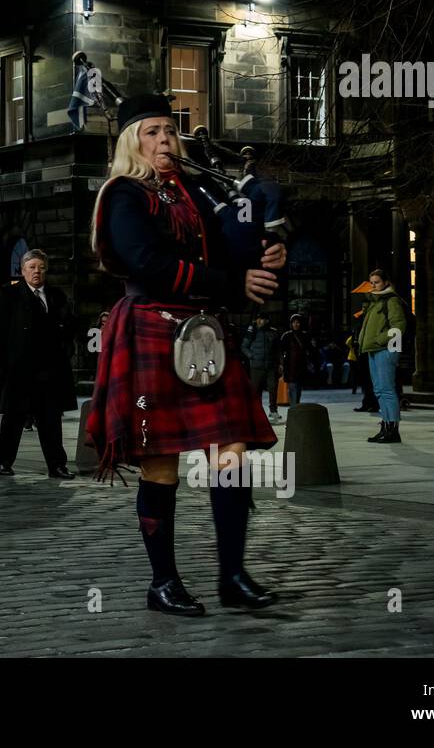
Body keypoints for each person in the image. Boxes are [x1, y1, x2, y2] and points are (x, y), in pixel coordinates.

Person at [84, 93, 285, 615]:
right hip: (151, 324)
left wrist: (265, 251)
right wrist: (230, 278)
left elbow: (227, 251)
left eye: (169, 131)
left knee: (232, 454)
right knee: (161, 464)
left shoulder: (195, 192)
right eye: (150, 132)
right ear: (132, 141)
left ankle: (233, 575)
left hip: (205, 332)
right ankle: (164, 582)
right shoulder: (122, 195)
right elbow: (147, 262)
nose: (164, 140)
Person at [0, 249, 76, 479]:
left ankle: (57, 466)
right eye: (32, 267)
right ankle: (4, 462)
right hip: (19, 370)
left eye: (41, 267)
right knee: (13, 419)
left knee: (51, 420)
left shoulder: (56, 295)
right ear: (23, 270)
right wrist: (0, 365)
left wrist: (66, 348)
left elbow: (69, 327)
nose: (36, 271)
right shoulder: (9, 294)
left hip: (49, 370)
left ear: (46, 270)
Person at [360, 268, 408, 443]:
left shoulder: (391, 300)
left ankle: (393, 430)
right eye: (371, 283)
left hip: (386, 349)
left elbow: (399, 325)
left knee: (387, 390)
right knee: (379, 390)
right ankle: (386, 426)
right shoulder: (375, 302)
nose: (373, 285)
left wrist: (381, 340)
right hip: (374, 349)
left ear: (386, 282)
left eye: (377, 282)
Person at [240, 311, 280, 423]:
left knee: (273, 387)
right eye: (258, 319)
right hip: (256, 366)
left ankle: (273, 411)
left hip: (270, 365)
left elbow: (277, 350)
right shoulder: (252, 332)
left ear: (267, 320)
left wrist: (279, 363)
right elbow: (244, 347)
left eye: (262, 319)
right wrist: (252, 356)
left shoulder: (273, 332)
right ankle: (258, 412)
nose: (260, 321)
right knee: (256, 390)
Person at [278, 313, 316, 408]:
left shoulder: (305, 335)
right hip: (290, 366)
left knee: (298, 389)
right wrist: (281, 364)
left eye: (298, 322)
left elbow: (311, 350)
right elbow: (280, 351)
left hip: (301, 366)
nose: (296, 324)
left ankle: (295, 408)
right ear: (291, 323)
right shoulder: (286, 336)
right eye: (294, 322)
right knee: (293, 389)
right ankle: (294, 409)